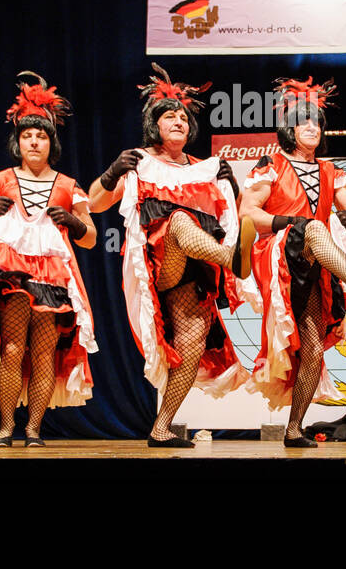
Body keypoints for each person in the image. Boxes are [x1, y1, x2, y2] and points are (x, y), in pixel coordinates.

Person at [88, 63, 253, 447]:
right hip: (157, 265)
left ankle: (161, 428)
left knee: (193, 347)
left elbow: (236, 217)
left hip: (194, 274)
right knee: (178, 221)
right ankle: (234, 260)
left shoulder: (203, 168)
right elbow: (94, 203)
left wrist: (232, 185)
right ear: (155, 125)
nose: (178, 120)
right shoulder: (139, 160)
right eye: (169, 116)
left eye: (183, 116)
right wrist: (113, 173)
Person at [238, 78, 346, 447]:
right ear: (289, 129)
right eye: (304, 121)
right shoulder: (270, 164)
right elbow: (248, 212)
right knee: (312, 229)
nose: (312, 127)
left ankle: (293, 429)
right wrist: (290, 223)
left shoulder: (330, 170)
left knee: (312, 348)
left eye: (317, 122)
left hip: (315, 261)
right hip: (277, 254)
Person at [0, 73, 98, 446]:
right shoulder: (1, 179)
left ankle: (34, 430)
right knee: (11, 346)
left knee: (43, 354)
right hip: (13, 272)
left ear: (50, 142)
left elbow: (91, 239)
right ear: (18, 141)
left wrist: (73, 221)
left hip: (54, 277)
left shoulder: (69, 185)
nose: (34, 141)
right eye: (27, 136)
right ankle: (6, 427)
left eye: (40, 136)